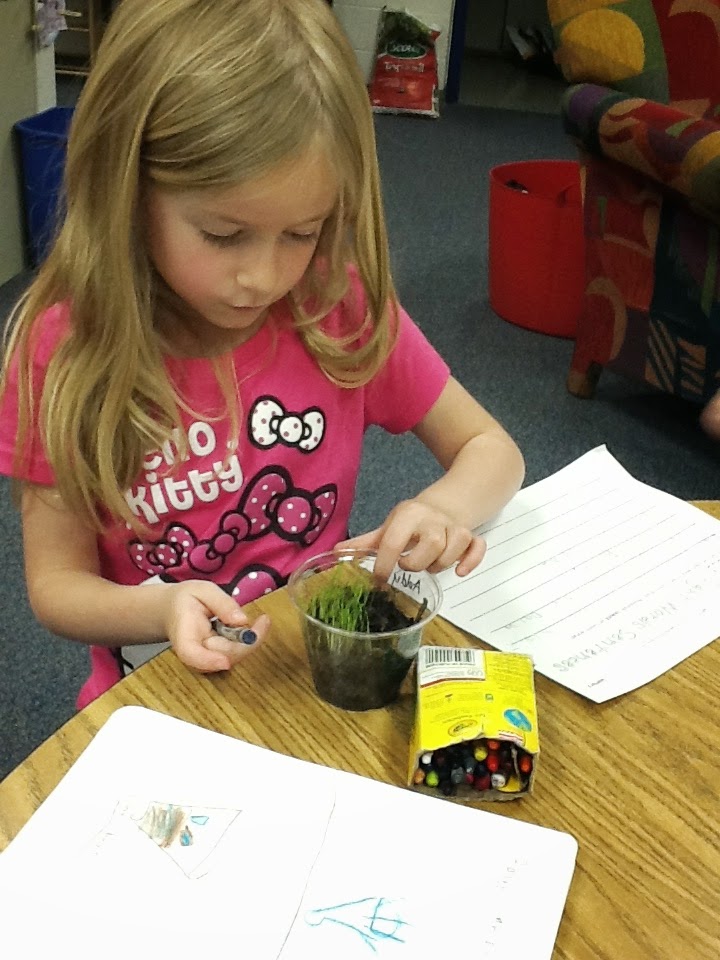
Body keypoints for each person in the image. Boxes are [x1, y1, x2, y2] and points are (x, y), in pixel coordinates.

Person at [0, 0, 524, 709]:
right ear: (128, 191)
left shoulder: (334, 307)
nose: (264, 278)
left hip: (308, 684)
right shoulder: (64, 351)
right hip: (154, 699)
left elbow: (493, 448)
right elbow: (55, 587)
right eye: (222, 235)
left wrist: (441, 509)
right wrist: (162, 608)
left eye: (301, 233)